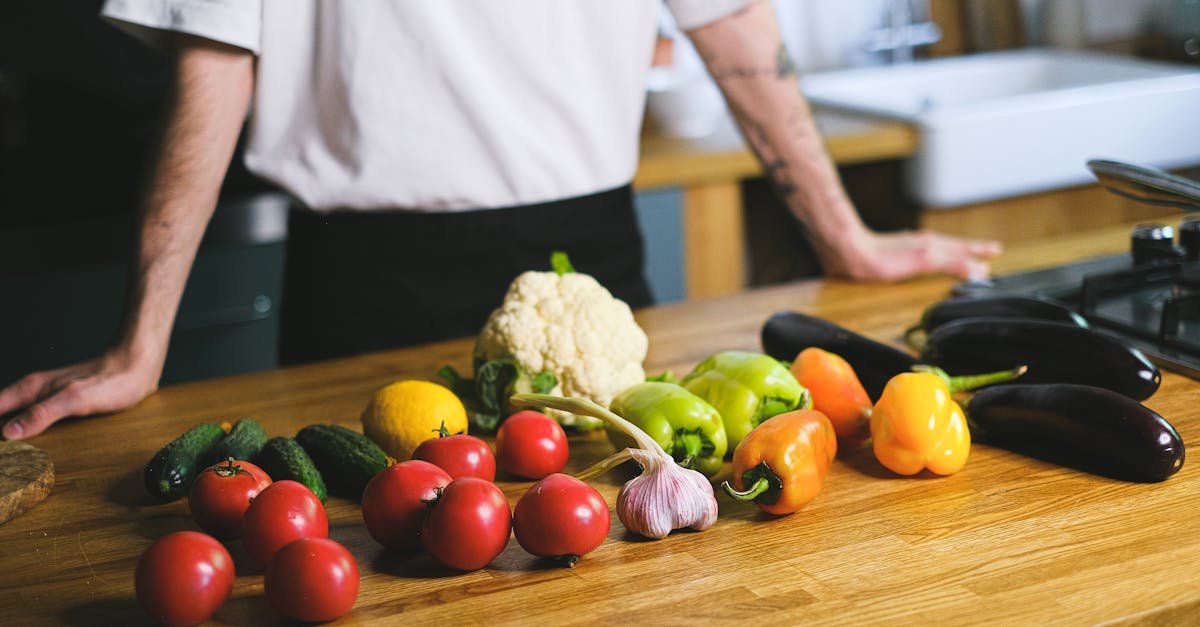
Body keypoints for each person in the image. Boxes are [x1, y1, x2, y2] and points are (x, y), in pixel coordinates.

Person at [0, 0, 1000, 440]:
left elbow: (732, 21)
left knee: (625, 575)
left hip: (592, 281)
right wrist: (142, 346)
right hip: (365, 298)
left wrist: (845, 240)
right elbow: (217, 51)